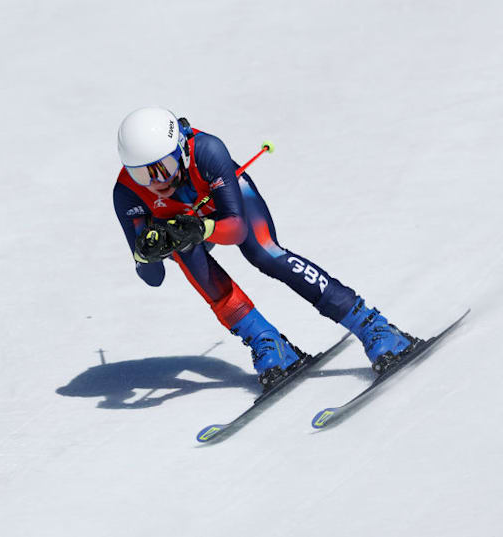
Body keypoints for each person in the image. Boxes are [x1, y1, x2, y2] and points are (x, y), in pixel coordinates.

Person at [112, 107, 414, 390]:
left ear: (180, 149)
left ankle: (372, 325)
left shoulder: (206, 150)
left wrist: (202, 227)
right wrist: (148, 251)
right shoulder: (126, 192)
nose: (156, 182)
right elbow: (153, 277)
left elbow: (237, 228)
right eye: (143, 174)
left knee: (265, 253)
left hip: (226, 208)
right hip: (189, 223)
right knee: (188, 255)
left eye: (163, 168)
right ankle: (267, 341)